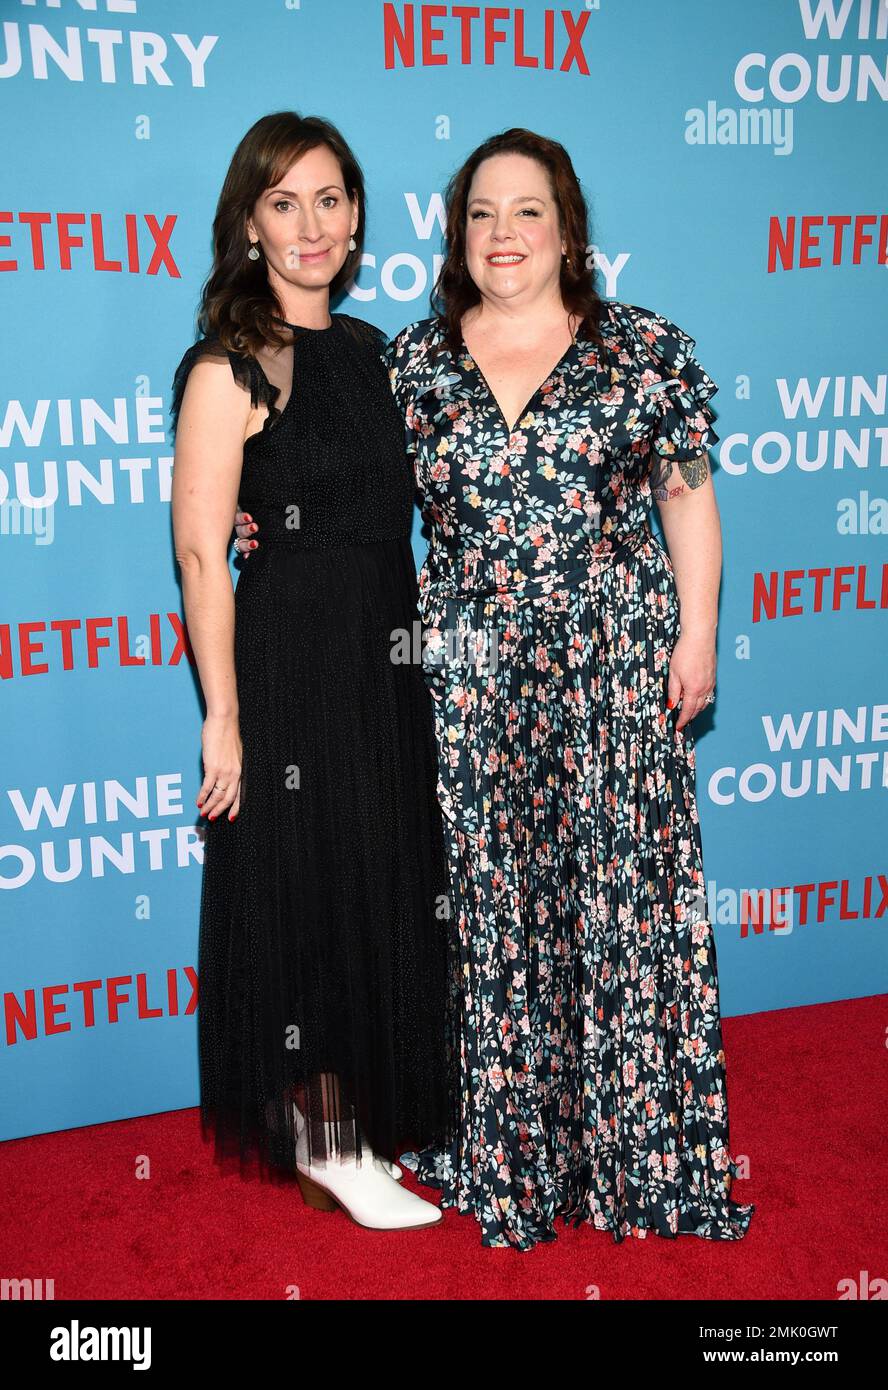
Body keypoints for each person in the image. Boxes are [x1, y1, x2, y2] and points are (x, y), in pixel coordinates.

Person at [235, 127, 756, 1251]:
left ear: (568, 228)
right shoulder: (409, 363)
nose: (504, 232)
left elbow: (689, 499)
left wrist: (698, 635)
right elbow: (325, 472)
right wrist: (253, 515)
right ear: (455, 233)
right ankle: (504, 1149)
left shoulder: (644, 351)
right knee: (490, 914)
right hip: (466, 676)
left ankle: (634, 1157)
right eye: (480, 212)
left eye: (527, 210)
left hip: (617, 662)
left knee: (620, 907)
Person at [170, 110, 456, 1230]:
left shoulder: (377, 349)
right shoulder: (228, 364)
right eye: (282, 202)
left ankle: (363, 1122)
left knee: (383, 878)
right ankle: (332, 1142)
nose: (308, 225)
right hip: (293, 655)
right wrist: (225, 716)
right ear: (248, 223)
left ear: (356, 218)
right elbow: (201, 545)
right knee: (317, 890)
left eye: (329, 200)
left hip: (388, 649)